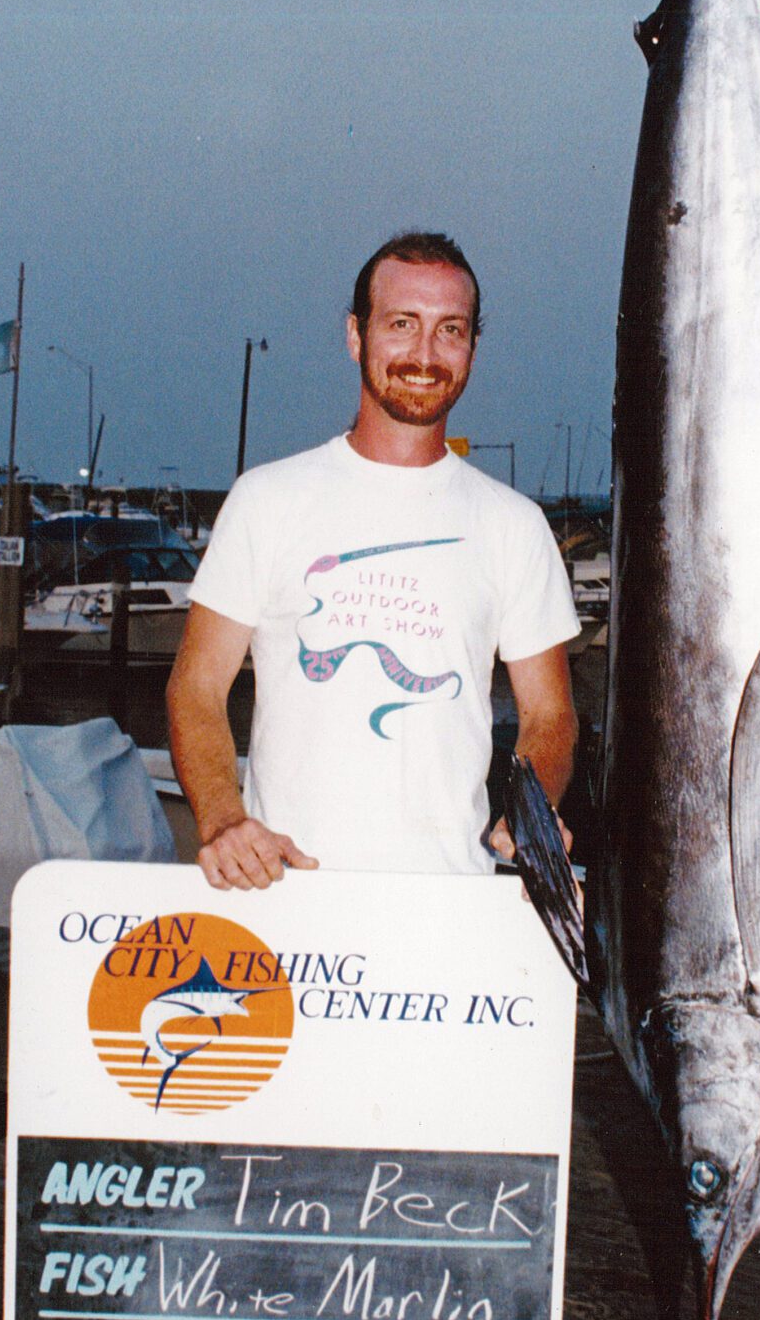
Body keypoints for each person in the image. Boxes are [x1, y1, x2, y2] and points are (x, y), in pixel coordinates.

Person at [167, 232, 580, 890]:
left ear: (473, 347)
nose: (424, 354)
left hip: (452, 903)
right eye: (401, 325)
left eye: (450, 329)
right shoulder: (266, 500)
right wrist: (221, 818)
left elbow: (549, 716)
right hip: (283, 892)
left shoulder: (515, 526)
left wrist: (535, 808)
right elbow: (196, 687)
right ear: (356, 336)